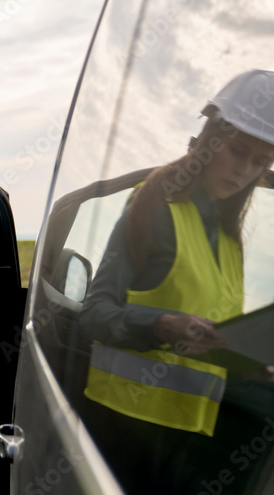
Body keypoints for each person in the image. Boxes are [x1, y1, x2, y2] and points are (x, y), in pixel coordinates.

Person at [79, 69, 274, 495]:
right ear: (209, 138)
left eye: (260, 162)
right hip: (122, 431)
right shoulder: (155, 206)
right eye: (238, 151)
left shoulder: (228, 241)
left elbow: (212, 346)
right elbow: (93, 316)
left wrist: (252, 364)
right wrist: (162, 326)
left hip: (187, 440)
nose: (244, 171)